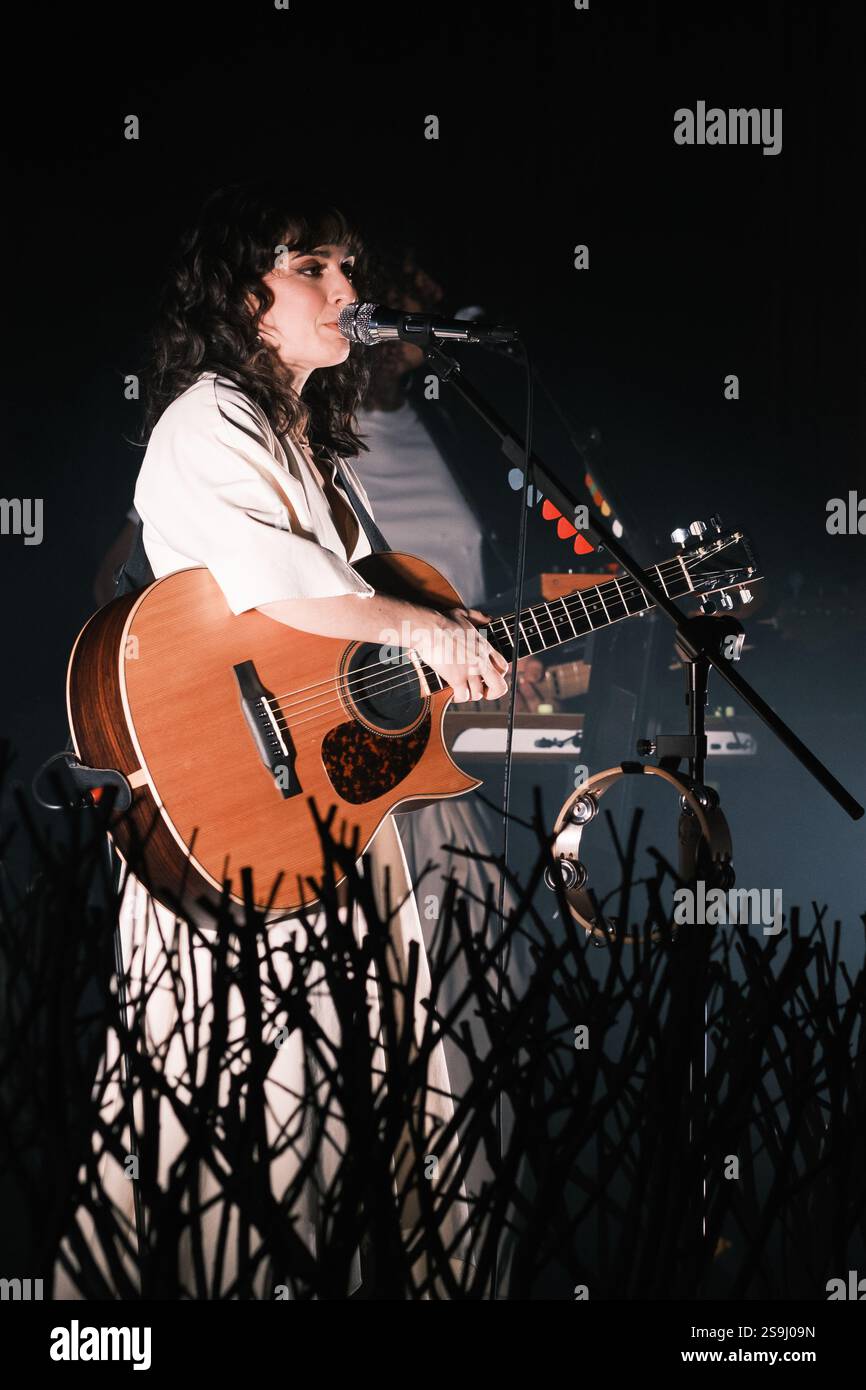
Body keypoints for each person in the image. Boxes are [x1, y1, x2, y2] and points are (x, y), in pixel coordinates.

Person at [56, 180, 510, 1300]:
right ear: (239, 294)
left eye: (347, 266)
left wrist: (443, 651)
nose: (346, 288)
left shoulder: (315, 448)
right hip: (235, 823)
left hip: (326, 820)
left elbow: (334, 648)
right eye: (314, 265)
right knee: (241, 1121)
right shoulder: (204, 419)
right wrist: (416, 624)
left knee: (357, 1116)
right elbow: (280, 589)